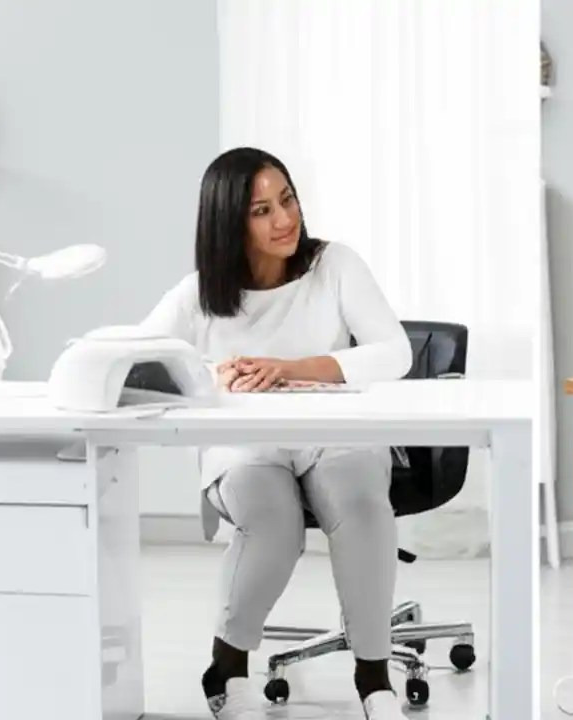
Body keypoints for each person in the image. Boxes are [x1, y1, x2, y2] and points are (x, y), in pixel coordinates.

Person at [140, 147, 414, 720]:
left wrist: (291, 368)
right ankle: (227, 666)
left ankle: (374, 679)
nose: (284, 219)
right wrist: (216, 373)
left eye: (286, 199)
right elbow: (141, 362)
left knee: (363, 509)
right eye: (261, 210)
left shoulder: (334, 265)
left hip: (334, 433)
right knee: (272, 523)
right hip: (247, 446)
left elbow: (395, 352)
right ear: (229, 223)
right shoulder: (199, 293)